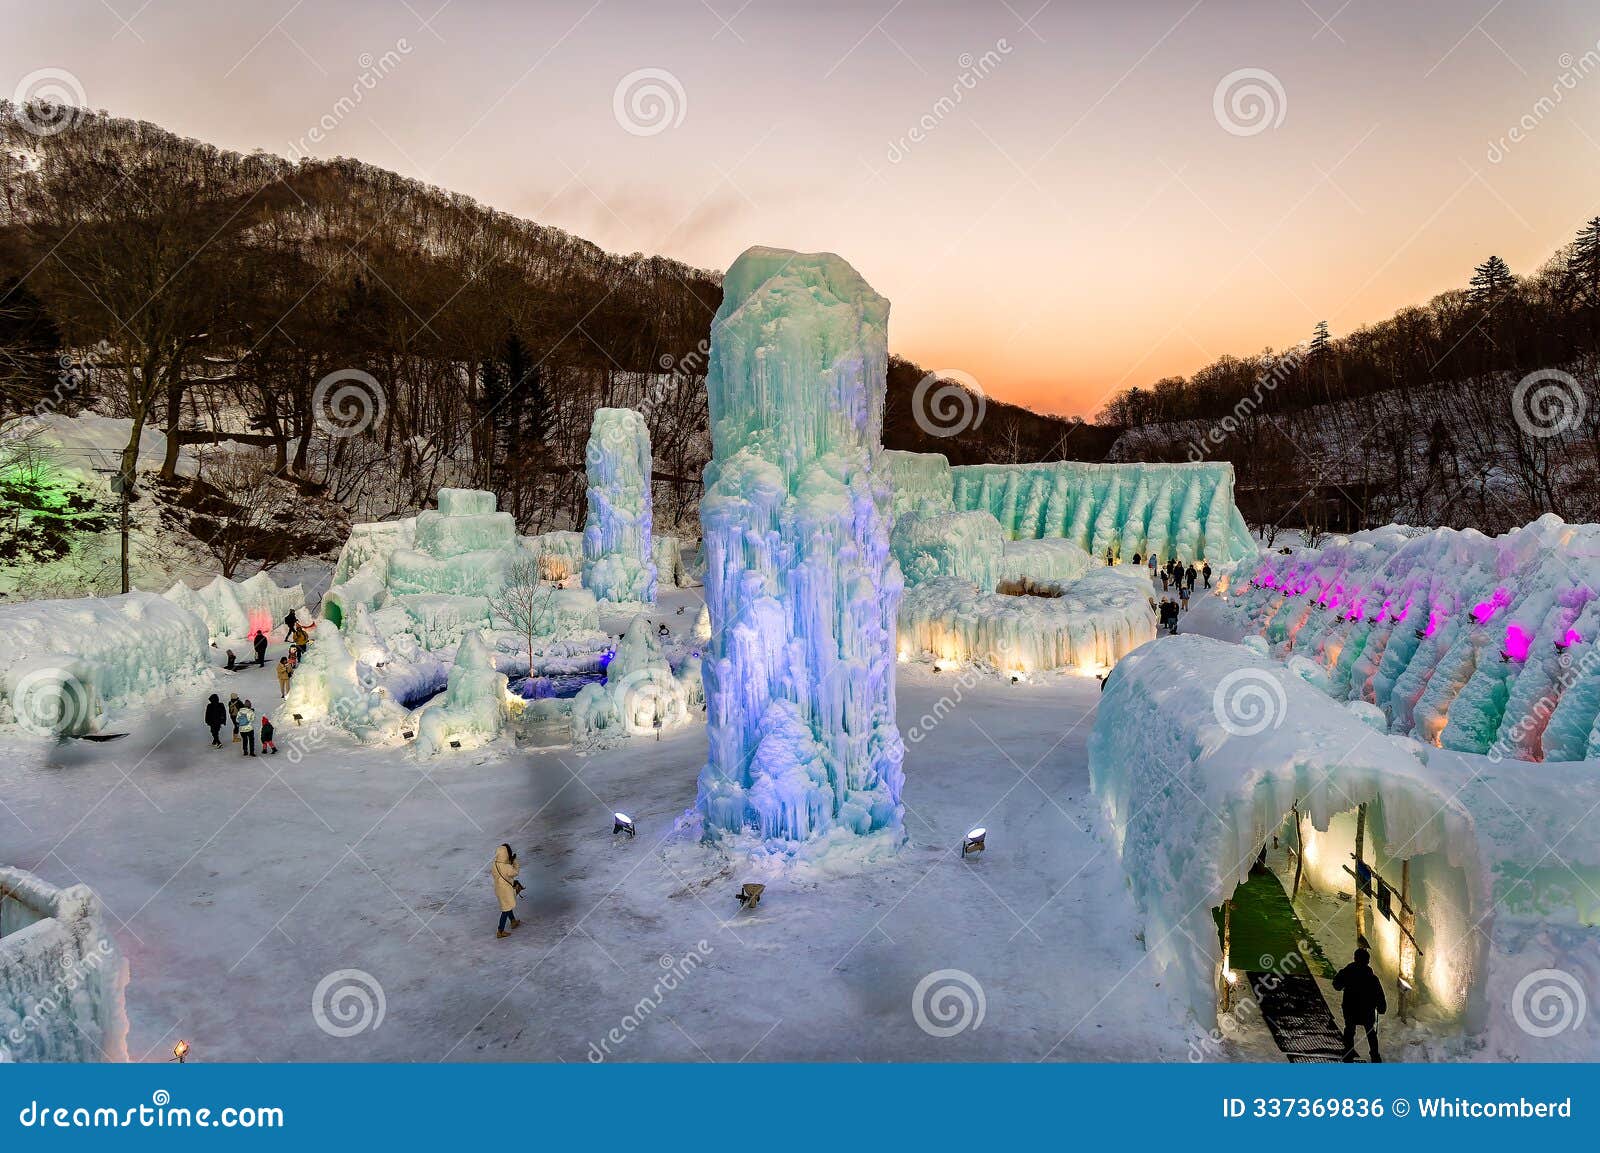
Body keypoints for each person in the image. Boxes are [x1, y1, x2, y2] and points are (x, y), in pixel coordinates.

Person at [1331, 947, 1387, 1062]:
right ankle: (1375, 1055)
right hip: (1367, 1011)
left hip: (1350, 1008)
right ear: (1368, 961)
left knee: (1349, 1031)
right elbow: (1379, 994)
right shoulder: (1372, 978)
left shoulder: (1347, 972)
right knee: (1371, 1032)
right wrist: (1381, 1007)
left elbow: (1336, 985)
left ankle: (1348, 1053)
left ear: (1355, 958)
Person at [491, 843, 522, 939]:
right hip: (505, 890)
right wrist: (515, 862)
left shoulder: (494, 864)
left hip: (498, 889)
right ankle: (500, 931)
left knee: (506, 905)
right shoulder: (507, 867)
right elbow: (515, 872)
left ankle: (513, 921)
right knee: (505, 909)